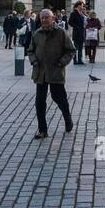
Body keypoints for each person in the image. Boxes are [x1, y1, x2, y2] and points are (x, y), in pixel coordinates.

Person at [26, 8, 75, 140]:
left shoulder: (60, 32)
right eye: (42, 18)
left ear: (52, 18)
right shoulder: (37, 33)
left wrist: (62, 62)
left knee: (59, 98)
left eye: (46, 17)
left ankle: (67, 119)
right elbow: (30, 50)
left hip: (55, 71)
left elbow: (70, 50)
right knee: (40, 102)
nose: (44, 20)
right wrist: (34, 61)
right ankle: (43, 130)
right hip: (40, 73)